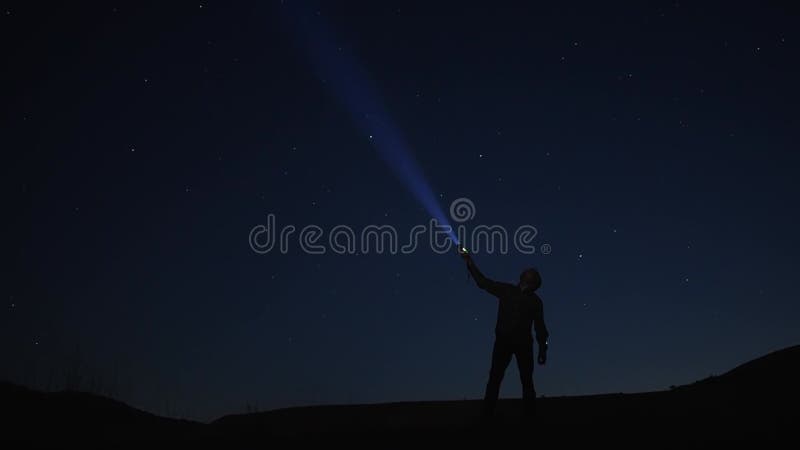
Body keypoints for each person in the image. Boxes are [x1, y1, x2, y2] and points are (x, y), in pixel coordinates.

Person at [459, 249, 549, 418]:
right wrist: (469, 262)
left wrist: (543, 349)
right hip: (504, 343)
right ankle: (487, 415)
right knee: (496, 378)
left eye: (530, 273)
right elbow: (483, 283)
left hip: (521, 345)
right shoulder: (508, 291)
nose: (526, 271)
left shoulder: (534, 301)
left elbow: (540, 328)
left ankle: (528, 417)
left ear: (531, 281)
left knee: (524, 381)